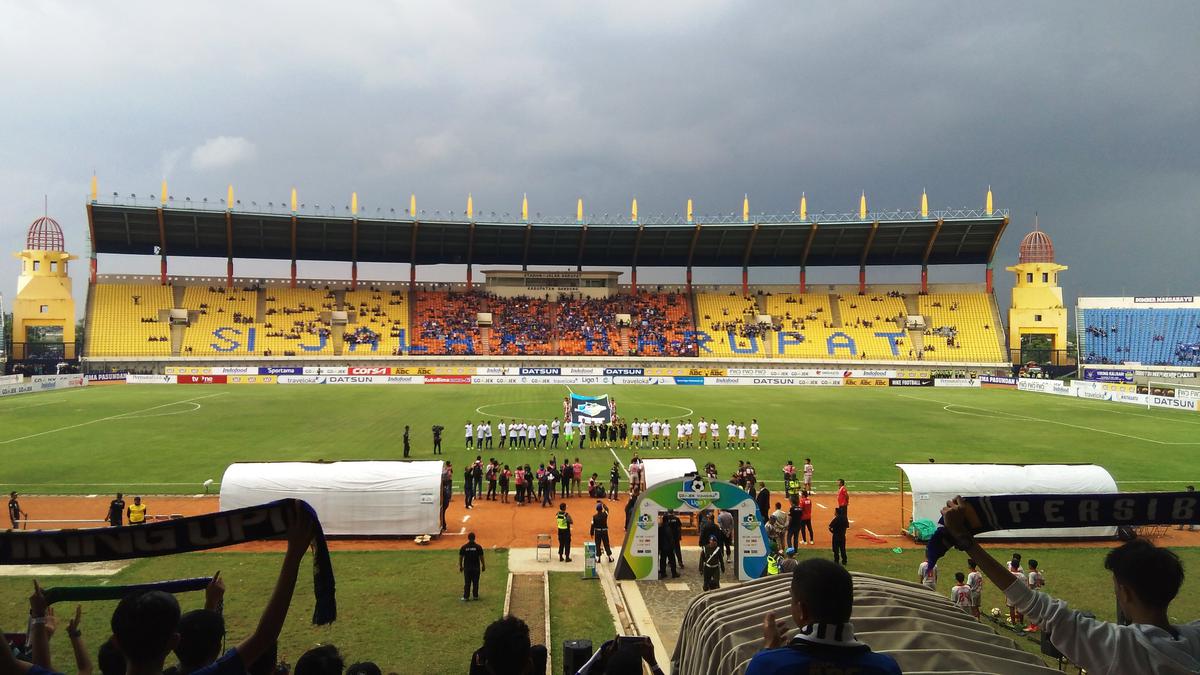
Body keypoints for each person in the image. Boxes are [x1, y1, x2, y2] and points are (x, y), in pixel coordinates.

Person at [942, 496, 1200, 674]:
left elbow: (1035, 605)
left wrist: (968, 543)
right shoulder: (1194, 638)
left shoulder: (1118, 648)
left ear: (1126, 592)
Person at [748, 559, 902, 674]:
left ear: (802, 610)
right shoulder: (886, 668)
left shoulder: (769, 665)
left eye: (792, 599)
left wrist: (768, 648)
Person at [468, 615, 548, 675]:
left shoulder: (480, 661)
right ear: (528, 665)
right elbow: (538, 652)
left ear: (488, 666)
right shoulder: (537, 656)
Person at [459, 532, 486, 601]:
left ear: (468, 538)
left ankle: (466, 597)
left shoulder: (464, 547)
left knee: (467, 582)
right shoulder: (478, 547)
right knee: (475, 582)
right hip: (476, 568)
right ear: (474, 538)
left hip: (467, 568)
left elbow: (461, 557)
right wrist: (483, 565)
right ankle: (475, 596)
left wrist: (461, 566)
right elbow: (481, 557)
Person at [658, 515, 679, 579]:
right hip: (669, 547)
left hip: (662, 547)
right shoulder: (668, 528)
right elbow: (670, 538)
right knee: (672, 560)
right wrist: (673, 546)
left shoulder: (660, 528)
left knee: (663, 560)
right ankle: (674, 573)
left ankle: (663, 573)